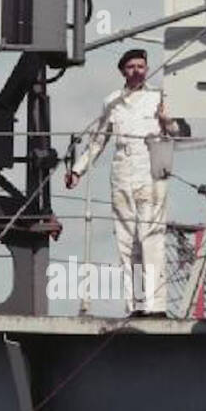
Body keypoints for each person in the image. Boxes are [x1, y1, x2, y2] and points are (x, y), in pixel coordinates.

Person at [65, 48, 175, 315]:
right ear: (123, 71)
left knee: (151, 236)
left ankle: (156, 305)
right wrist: (78, 170)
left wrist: (166, 121)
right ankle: (136, 304)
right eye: (131, 66)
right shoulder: (112, 101)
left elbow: (178, 132)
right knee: (127, 241)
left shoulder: (158, 97)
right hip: (122, 171)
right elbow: (98, 140)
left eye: (141, 66)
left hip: (150, 168)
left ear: (147, 69)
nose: (137, 70)